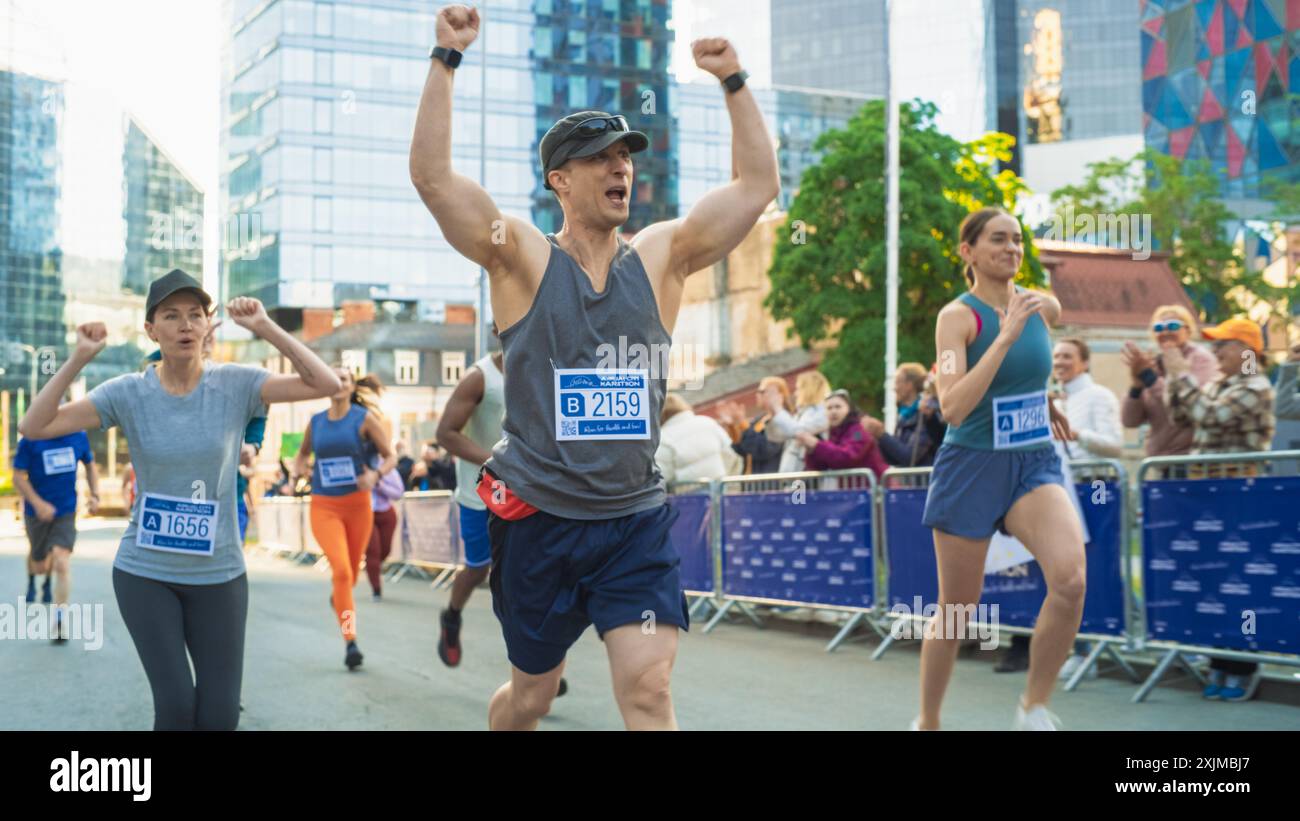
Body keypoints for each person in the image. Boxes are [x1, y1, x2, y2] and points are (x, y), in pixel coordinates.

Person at [411, 4, 778, 730]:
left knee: (648, 691)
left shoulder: (662, 257)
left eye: (627, 155)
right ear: (561, 180)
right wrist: (446, 60)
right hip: (541, 523)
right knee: (531, 698)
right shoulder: (521, 258)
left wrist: (734, 79)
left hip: (632, 521)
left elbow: (756, 187)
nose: (622, 167)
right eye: (601, 158)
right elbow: (433, 178)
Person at [18, 268, 342, 730]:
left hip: (220, 574)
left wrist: (265, 327)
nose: (186, 325)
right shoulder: (128, 393)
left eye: (195, 315)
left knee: (219, 717)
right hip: (145, 573)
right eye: (171, 316)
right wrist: (79, 359)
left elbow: (325, 384)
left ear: (208, 326)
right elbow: (34, 426)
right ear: (152, 330)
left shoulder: (238, 385)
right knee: (174, 708)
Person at [915, 208, 1082, 731]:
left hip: (1032, 463)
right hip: (971, 467)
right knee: (959, 609)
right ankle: (929, 720)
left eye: (1017, 240)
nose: (1011, 249)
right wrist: (1005, 336)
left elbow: (1036, 359)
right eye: (997, 240)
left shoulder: (1039, 306)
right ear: (968, 252)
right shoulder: (957, 318)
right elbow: (952, 406)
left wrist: (1044, 399)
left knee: (1071, 579)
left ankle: (1033, 706)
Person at [1163, 317, 1274, 702]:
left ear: (1246, 350)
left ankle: (1242, 666)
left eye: (1222, 344)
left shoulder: (1256, 386)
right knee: (1212, 584)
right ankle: (1218, 662)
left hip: (1239, 498)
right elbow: (1181, 417)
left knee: (1240, 584)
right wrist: (1165, 376)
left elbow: (1210, 416)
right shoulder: (1219, 384)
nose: (1214, 351)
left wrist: (1183, 377)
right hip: (1208, 496)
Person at [294, 370, 397, 671]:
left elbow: (389, 456)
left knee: (350, 577)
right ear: (326, 384)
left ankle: (339, 600)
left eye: (345, 380)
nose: (339, 383)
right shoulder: (316, 422)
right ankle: (350, 640)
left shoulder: (363, 419)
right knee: (340, 571)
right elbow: (301, 457)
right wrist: (302, 470)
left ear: (352, 387)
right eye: (334, 378)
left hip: (358, 506)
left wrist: (375, 475)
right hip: (324, 506)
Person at [431, 347, 504, 667]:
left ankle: (540, 664)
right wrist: (495, 462)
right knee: (478, 568)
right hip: (482, 494)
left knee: (525, 575)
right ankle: (452, 616)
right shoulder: (479, 378)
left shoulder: (546, 366)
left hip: (529, 493)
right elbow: (445, 434)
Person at [12, 424, 98, 643]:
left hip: (65, 511)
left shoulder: (77, 436)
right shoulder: (31, 438)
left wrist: (95, 494)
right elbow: (18, 477)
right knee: (40, 564)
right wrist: (39, 504)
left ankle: (59, 622)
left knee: (61, 561)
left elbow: (90, 464)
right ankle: (36, 576)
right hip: (36, 513)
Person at [1120, 305, 1218, 463]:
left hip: (1191, 461)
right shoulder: (1153, 364)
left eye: (1172, 326)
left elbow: (1191, 404)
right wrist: (1136, 386)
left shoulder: (1201, 359)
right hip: (1160, 462)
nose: (1165, 332)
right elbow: (1129, 421)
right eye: (1158, 328)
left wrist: (1150, 379)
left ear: (1187, 330)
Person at [797, 389, 889, 479]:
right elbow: (821, 466)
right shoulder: (834, 434)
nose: (833, 411)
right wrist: (811, 451)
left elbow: (847, 457)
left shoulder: (859, 430)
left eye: (838, 407)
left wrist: (816, 444)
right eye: (829, 408)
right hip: (855, 491)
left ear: (849, 408)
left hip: (876, 490)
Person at [863, 363, 942, 467]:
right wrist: (876, 438)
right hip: (909, 481)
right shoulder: (903, 416)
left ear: (909, 385)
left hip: (925, 481)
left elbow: (910, 457)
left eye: (897, 382)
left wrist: (882, 434)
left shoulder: (927, 414)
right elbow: (894, 458)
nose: (894, 388)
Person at [655, 393, 742, 484]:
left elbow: (664, 475)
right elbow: (730, 454)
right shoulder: (707, 421)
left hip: (686, 493)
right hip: (720, 485)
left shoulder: (664, 437)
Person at [763, 370, 830, 474]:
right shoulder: (801, 413)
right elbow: (777, 436)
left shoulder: (823, 411)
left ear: (809, 389)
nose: (795, 394)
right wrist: (772, 412)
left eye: (799, 389)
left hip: (810, 474)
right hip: (794, 472)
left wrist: (778, 408)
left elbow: (799, 431)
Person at [722, 377, 790, 475]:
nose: (758, 395)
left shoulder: (782, 421)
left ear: (779, 395)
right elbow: (743, 450)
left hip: (769, 483)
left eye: (763, 391)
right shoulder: (760, 420)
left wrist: (742, 422)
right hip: (751, 481)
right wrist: (732, 426)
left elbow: (764, 450)